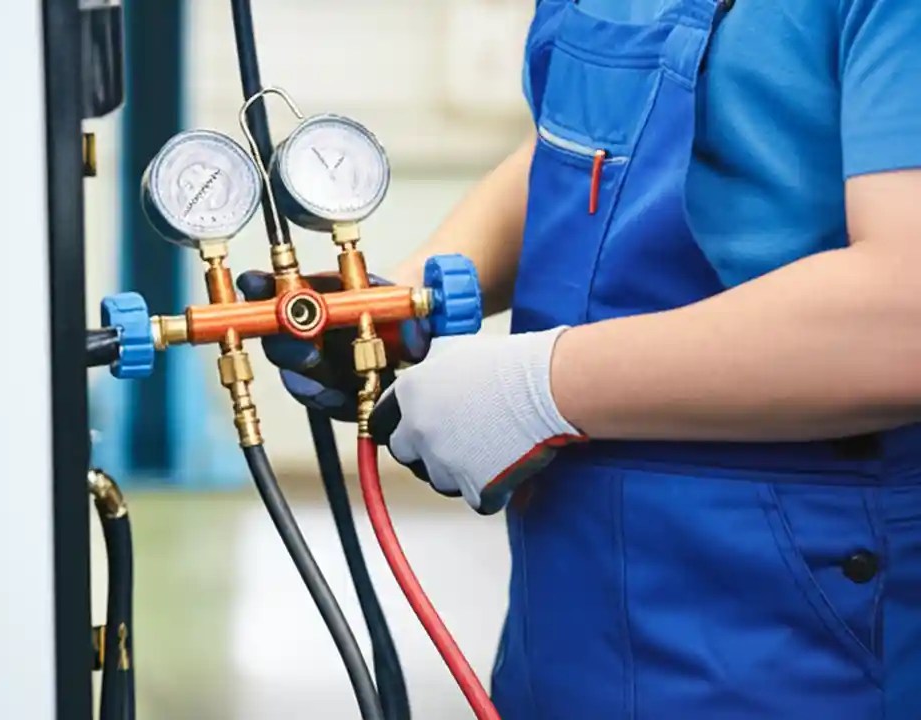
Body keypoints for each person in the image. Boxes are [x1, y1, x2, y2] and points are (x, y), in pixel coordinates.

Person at [239, 0, 921, 717]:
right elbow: (587, 144)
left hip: (792, 628)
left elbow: (905, 312)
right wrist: (404, 302)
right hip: (573, 620)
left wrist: (539, 385)